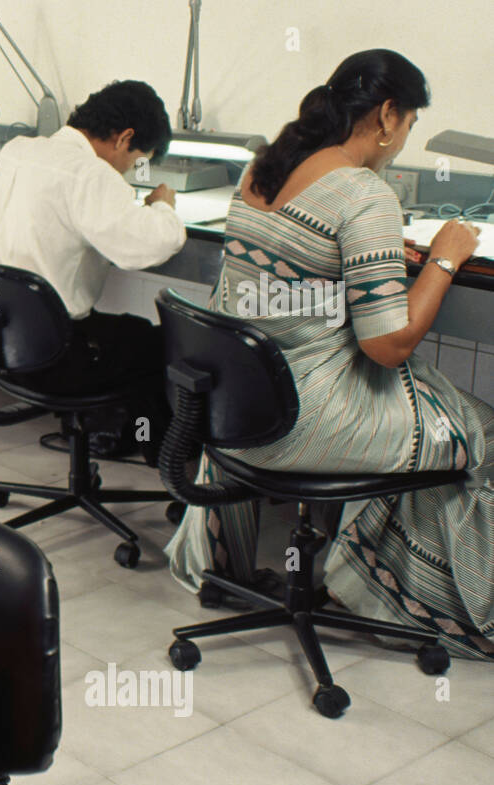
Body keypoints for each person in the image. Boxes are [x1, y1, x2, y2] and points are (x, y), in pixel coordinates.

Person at [164, 49, 493, 661]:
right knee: (475, 429)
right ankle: (392, 593)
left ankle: (359, 573)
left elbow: (298, 281)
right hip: (304, 422)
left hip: (236, 416)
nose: (404, 141)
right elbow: (388, 347)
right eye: (411, 125)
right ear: (389, 115)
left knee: (429, 404)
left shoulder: (262, 169)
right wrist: (445, 257)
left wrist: (377, 263)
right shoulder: (364, 194)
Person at [0, 80, 186, 461]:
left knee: (131, 333)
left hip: (1, 338)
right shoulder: (90, 173)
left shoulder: (18, 150)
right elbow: (149, 245)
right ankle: (165, 460)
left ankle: (119, 433)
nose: (129, 170)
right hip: (55, 356)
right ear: (124, 138)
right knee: (161, 344)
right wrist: (162, 206)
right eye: (137, 159)